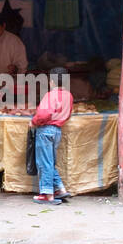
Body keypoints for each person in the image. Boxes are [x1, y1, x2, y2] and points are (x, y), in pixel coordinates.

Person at [30, 74, 73, 205]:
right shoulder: (69, 96)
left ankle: (48, 195)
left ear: (52, 81)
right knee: (50, 161)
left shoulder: (50, 95)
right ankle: (60, 189)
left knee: (44, 163)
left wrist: (34, 121)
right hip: (57, 130)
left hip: (45, 130)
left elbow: (44, 113)